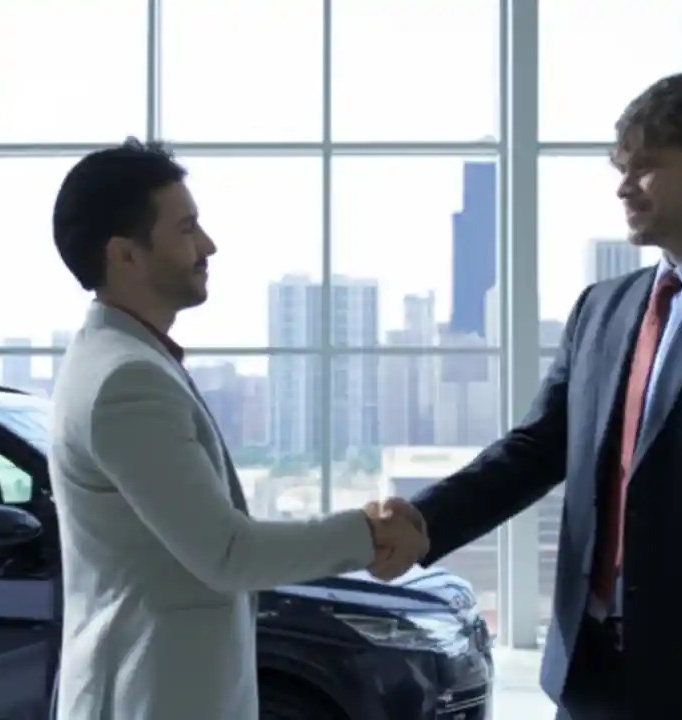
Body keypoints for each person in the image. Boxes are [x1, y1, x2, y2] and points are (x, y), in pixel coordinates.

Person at [379, 72, 682, 718]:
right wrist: (423, 523)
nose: (622, 185)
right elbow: (535, 450)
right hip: (588, 683)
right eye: (621, 167)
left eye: (645, 168)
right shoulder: (602, 309)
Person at [46, 138, 427, 720]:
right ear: (125, 255)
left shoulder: (122, 360)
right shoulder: (127, 381)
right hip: (151, 698)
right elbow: (227, 552)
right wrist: (366, 534)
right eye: (186, 229)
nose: (208, 246)